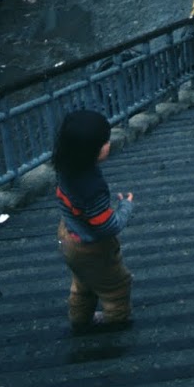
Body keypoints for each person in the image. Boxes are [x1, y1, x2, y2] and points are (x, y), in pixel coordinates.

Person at [52, 109, 134, 332]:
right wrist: (125, 206)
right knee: (116, 285)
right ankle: (117, 319)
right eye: (104, 142)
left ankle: (79, 319)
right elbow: (108, 226)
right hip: (92, 247)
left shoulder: (65, 167)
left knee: (83, 283)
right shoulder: (91, 188)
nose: (109, 143)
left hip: (69, 237)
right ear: (88, 151)